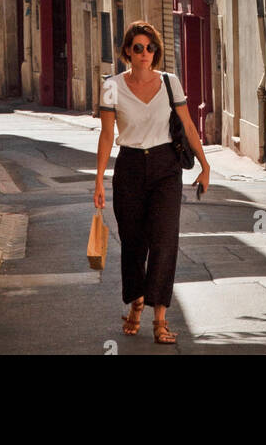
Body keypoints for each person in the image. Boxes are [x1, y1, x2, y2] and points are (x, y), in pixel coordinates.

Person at [94, 21, 209, 345]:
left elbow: (187, 124)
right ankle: (136, 303)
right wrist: (100, 181)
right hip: (129, 166)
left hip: (165, 168)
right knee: (133, 242)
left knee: (163, 240)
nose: (145, 53)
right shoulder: (112, 86)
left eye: (150, 48)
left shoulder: (170, 83)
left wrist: (205, 164)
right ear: (127, 52)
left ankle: (160, 318)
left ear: (156, 52)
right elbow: (106, 136)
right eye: (138, 48)